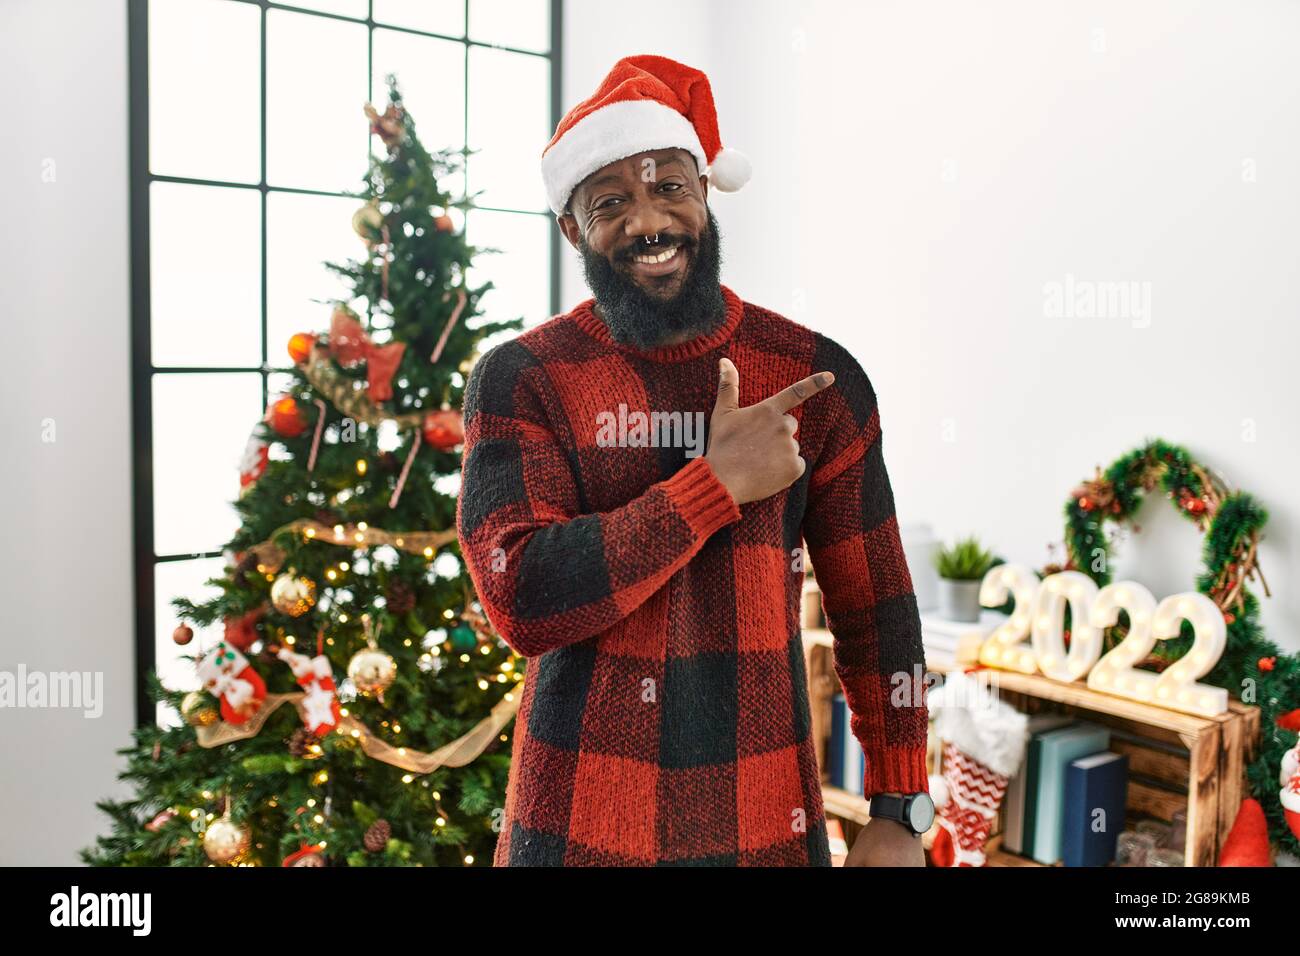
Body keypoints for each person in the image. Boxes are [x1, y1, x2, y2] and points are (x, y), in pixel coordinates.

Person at [457, 55, 931, 866]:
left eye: (670, 187)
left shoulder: (816, 374)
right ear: (572, 228)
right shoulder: (523, 378)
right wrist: (711, 487)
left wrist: (899, 804)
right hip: (573, 829)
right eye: (611, 202)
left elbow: (877, 606)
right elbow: (523, 597)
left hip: (764, 826)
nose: (649, 221)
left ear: (705, 195)